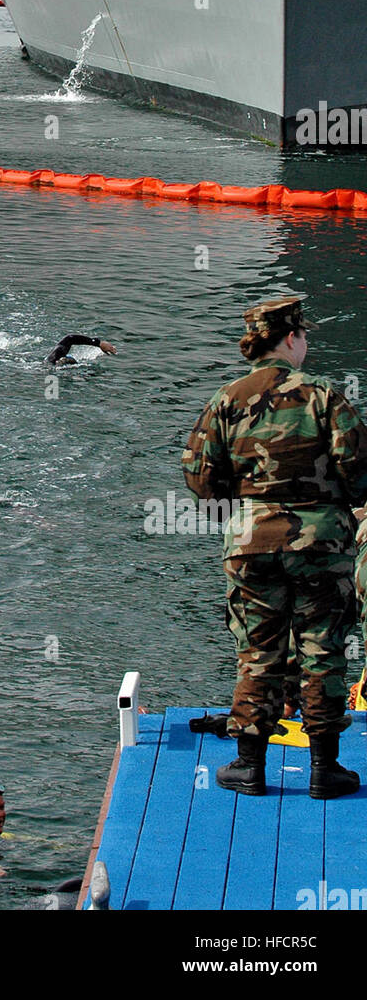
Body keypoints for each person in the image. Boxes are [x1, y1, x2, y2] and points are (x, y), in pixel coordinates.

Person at [182, 296, 367, 799]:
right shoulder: (323, 396)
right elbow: (360, 472)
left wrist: (242, 513)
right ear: (290, 339)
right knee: (322, 649)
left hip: (250, 544)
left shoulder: (226, 399)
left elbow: (199, 477)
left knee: (257, 652)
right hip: (321, 544)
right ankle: (325, 769)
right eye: (304, 336)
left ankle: (248, 765)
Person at [45, 334, 116, 367]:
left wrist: (99, 343)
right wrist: (99, 343)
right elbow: (70, 339)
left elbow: (69, 339)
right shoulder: (52, 360)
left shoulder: (50, 361)